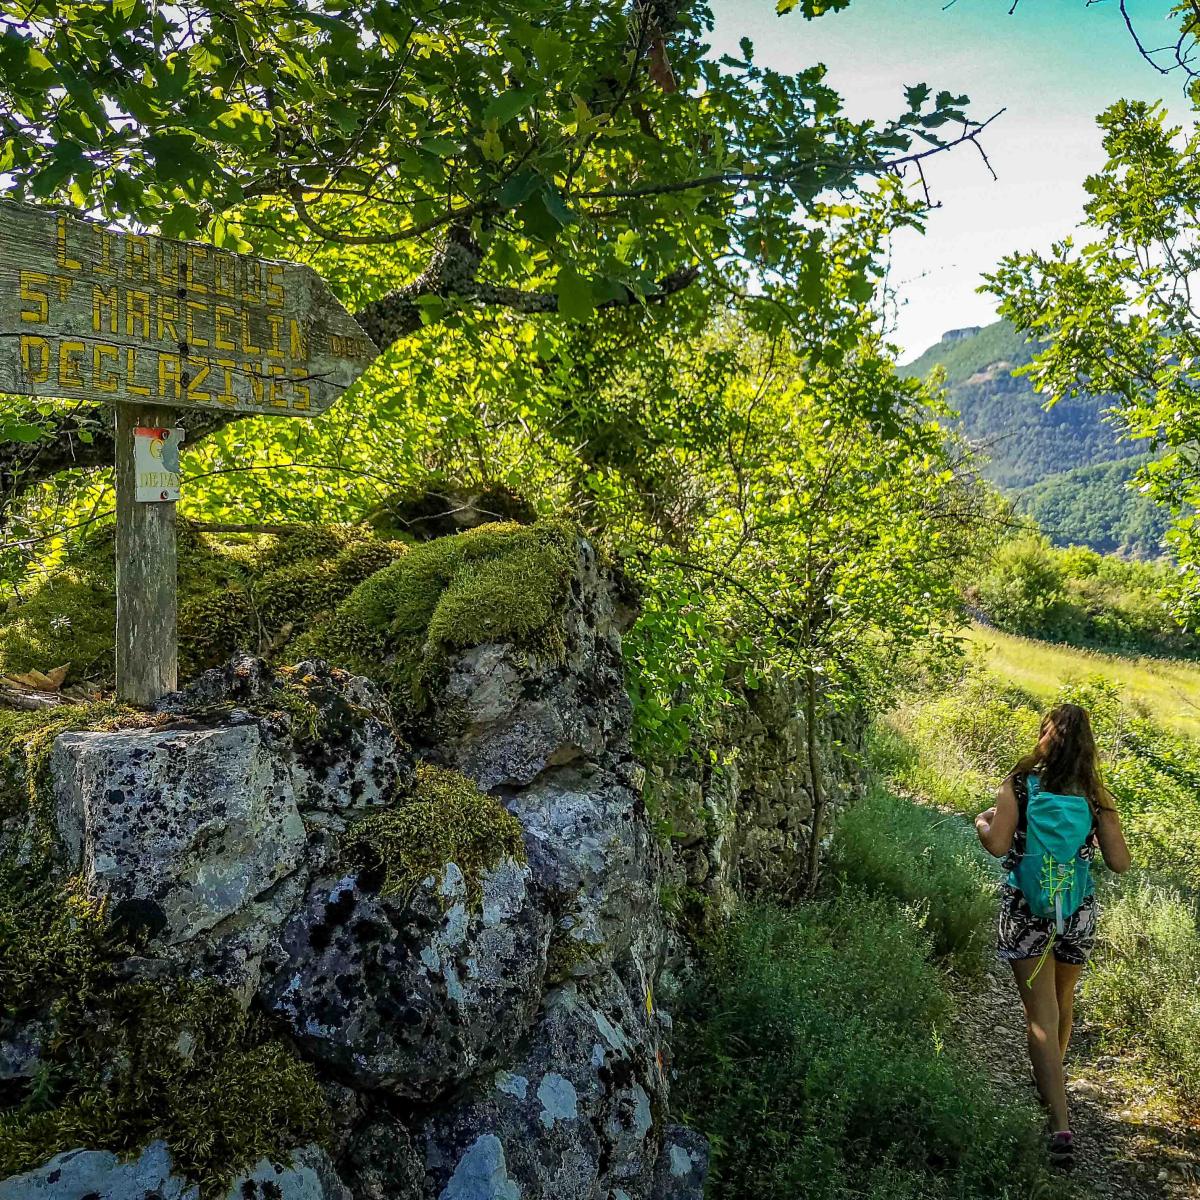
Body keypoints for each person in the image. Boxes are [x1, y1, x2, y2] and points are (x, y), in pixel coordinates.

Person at [974, 703, 1131, 1172]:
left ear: (1045, 735)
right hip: (1076, 911)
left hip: (1028, 910)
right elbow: (1120, 862)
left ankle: (1058, 1122)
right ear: (1087, 745)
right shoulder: (1094, 792)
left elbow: (997, 843)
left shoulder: (1020, 783)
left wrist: (983, 822)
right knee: (1062, 1001)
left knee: (1039, 1013)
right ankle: (1053, 1082)